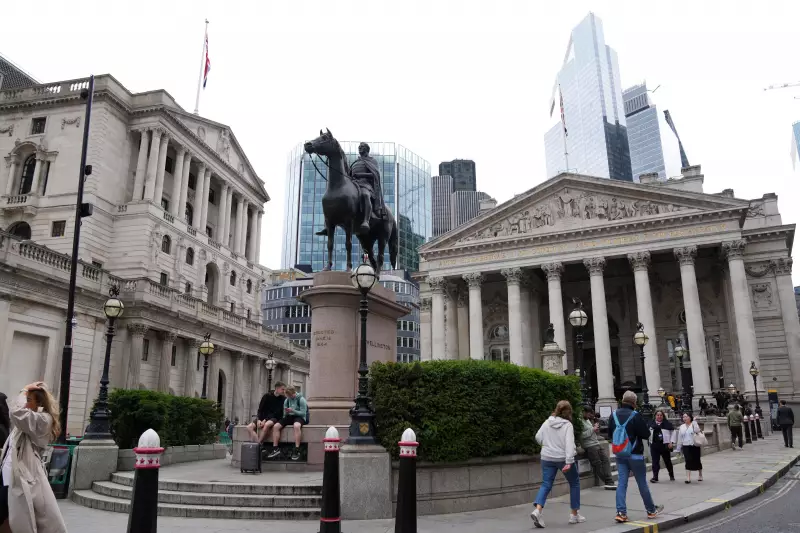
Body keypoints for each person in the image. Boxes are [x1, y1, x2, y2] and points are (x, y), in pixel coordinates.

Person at [1, 381, 67, 533]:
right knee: (10, 519)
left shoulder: (42, 420)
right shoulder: (27, 421)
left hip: (22, 478)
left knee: (21, 518)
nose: (25, 402)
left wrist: (24, 390)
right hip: (7, 477)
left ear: (39, 403)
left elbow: (16, 412)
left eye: (29, 400)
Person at [607, 391, 664, 523]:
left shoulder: (613, 415)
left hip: (620, 454)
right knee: (642, 483)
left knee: (621, 483)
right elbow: (645, 434)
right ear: (634, 403)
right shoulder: (635, 415)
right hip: (635, 455)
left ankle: (621, 513)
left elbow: (610, 434)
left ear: (622, 400)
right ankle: (650, 510)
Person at [530, 400, 584, 528]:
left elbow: (538, 437)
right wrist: (569, 461)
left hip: (547, 457)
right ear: (569, 412)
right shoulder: (567, 425)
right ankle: (574, 515)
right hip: (562, 459)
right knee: (574, 483)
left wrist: (547, 445)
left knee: (546, 484)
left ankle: (538, 510)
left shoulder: (547, 422)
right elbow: (570, 444)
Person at [350, 142, 385, 235]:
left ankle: (366, 220)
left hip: (365, 184)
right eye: (359, 147)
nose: (360, 148)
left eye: (362, 147)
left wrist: (360, 175)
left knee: (365, 195)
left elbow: (375, 174)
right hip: (353, 184)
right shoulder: (355, 162)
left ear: (367, 149)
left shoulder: (372, 161)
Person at [579, 406, 615, 490]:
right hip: (589, 445)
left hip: (596, 443)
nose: (589, 415)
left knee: (605, 460)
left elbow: (593, 432)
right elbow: (581, 435)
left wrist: (595, 429)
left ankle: (609, 480)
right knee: (597, 464)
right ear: (583, 412)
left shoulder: (587, 420)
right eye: (588, 413)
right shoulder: (579, 421)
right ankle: (608, 481)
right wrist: (592, 429)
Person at [271, 387, 307, 461]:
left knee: (296, 426)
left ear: (293, 393)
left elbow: (303, 413)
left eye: (291, 396)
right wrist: (286, 413)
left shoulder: (301, 399)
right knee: (276, 426)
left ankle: (297, 449)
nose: (289, 398)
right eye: (288, 396)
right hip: (290, 416)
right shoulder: (287, 400)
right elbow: (285, 413)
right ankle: (275, 448)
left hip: (299, 416)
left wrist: (293, 410)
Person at [648, 409, 675, 482]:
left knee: (667, 461)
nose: (659, 416)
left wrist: (671, 442)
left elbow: (673, 433)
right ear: (655, 416)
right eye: (658, 415)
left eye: (661, 415)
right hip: (654, 445)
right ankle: (655, 477)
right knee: (655, 462)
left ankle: (671, 474)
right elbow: (647, 433)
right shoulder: (651, 424)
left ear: (663, 416)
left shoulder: (667, 424)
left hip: (665, 445)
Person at [676, 413, 703, 483]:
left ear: (690, 417)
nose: (684, 418)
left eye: (686, 417)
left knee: (697, 460)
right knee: (687, 460)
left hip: (694, 445)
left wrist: (694, 422)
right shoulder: (682, 426)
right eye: (683, 417)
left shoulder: (694, 424)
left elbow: (697, 431)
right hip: (685, 445)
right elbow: (680, 437)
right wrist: (678, 448)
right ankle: (688, 477)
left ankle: (700, 474)